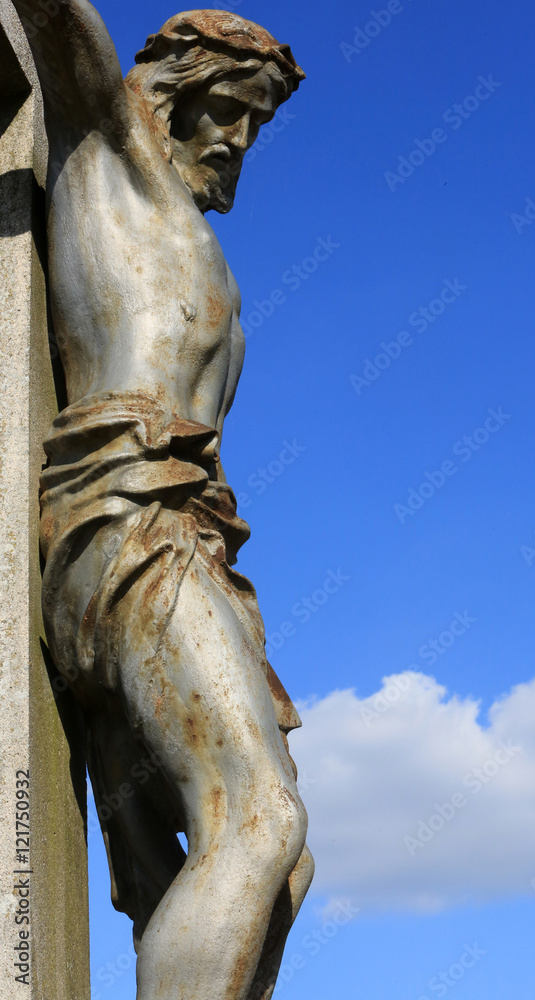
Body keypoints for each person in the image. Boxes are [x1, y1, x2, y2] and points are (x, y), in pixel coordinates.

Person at [12, 3, 313, 998]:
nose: (237, 139)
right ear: (166, 90)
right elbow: (65, 29)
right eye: (228, 108)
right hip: (128, 530)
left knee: (269, 865)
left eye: (256, 124)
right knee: (259, 818)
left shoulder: (190, 240)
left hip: (187, 544)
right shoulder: (110, 157)